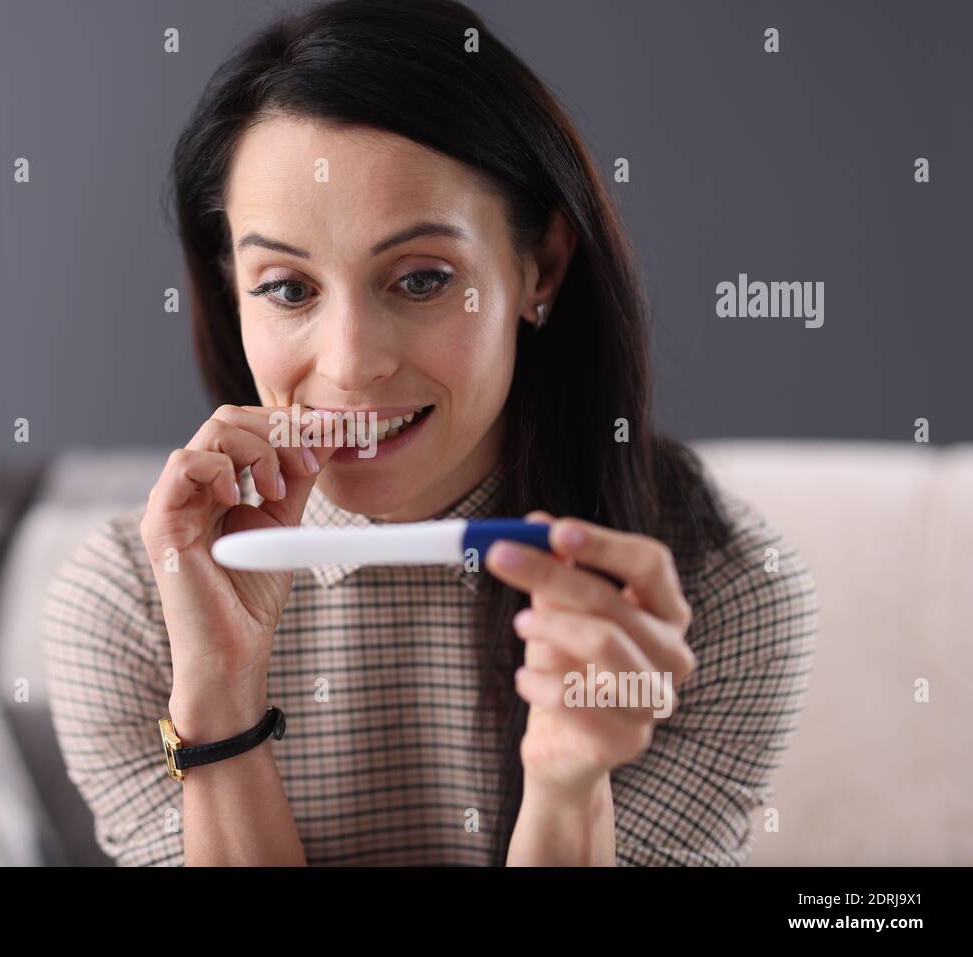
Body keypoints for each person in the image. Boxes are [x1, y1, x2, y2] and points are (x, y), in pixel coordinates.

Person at [41, 0, 818, 866]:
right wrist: (219, 692)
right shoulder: (129, 605)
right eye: (289, 289)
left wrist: (568, 793)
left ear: (541, 269)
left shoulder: (721, 596)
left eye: (421, 280)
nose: (350, 365)